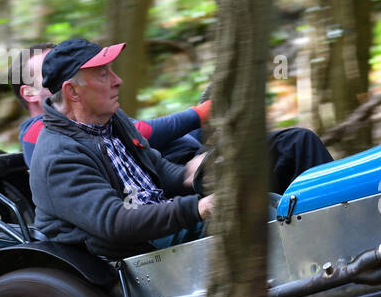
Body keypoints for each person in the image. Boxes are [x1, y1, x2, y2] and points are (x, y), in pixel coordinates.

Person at [29, 37, 332, 260]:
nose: (118, 81)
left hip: (168, 208)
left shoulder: (109, 118)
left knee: (293, 145)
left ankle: (339, 238)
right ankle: (326, 263)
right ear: (72, 92)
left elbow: (158, 168)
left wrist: (198, 170)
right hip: (142, 244)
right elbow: (116, 221)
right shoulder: (59, 156)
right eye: (104, 74)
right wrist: (199, 207)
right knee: (261, 208)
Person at [15, 42, 210, 165]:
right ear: (29, 93)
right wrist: (199, 113)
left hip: (183, 162)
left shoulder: (89, 116)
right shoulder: (39, 131)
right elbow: (139, 135)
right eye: (49, 74)